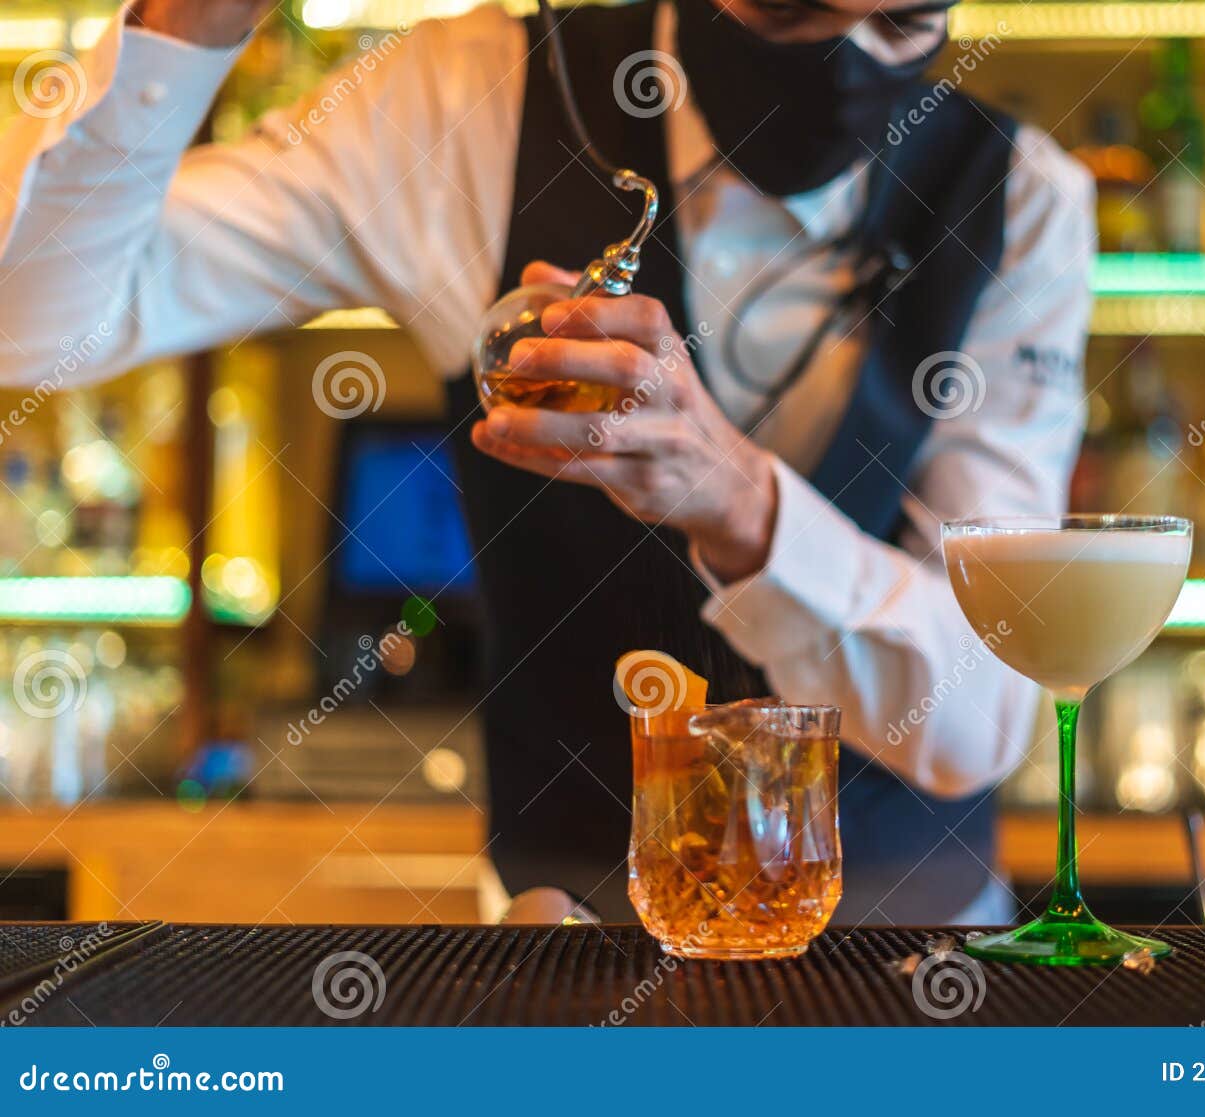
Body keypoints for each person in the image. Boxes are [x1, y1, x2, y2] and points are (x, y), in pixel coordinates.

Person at [0, 0, 1092, 924]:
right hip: (561, 936)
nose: (847, 61)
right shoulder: (470, 102)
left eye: (904, 18)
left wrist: (738, 503)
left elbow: (982, 711)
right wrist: (183, 30)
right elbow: (29, 325)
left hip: (909, 956)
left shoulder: (1024, 197)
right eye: (793, 5)